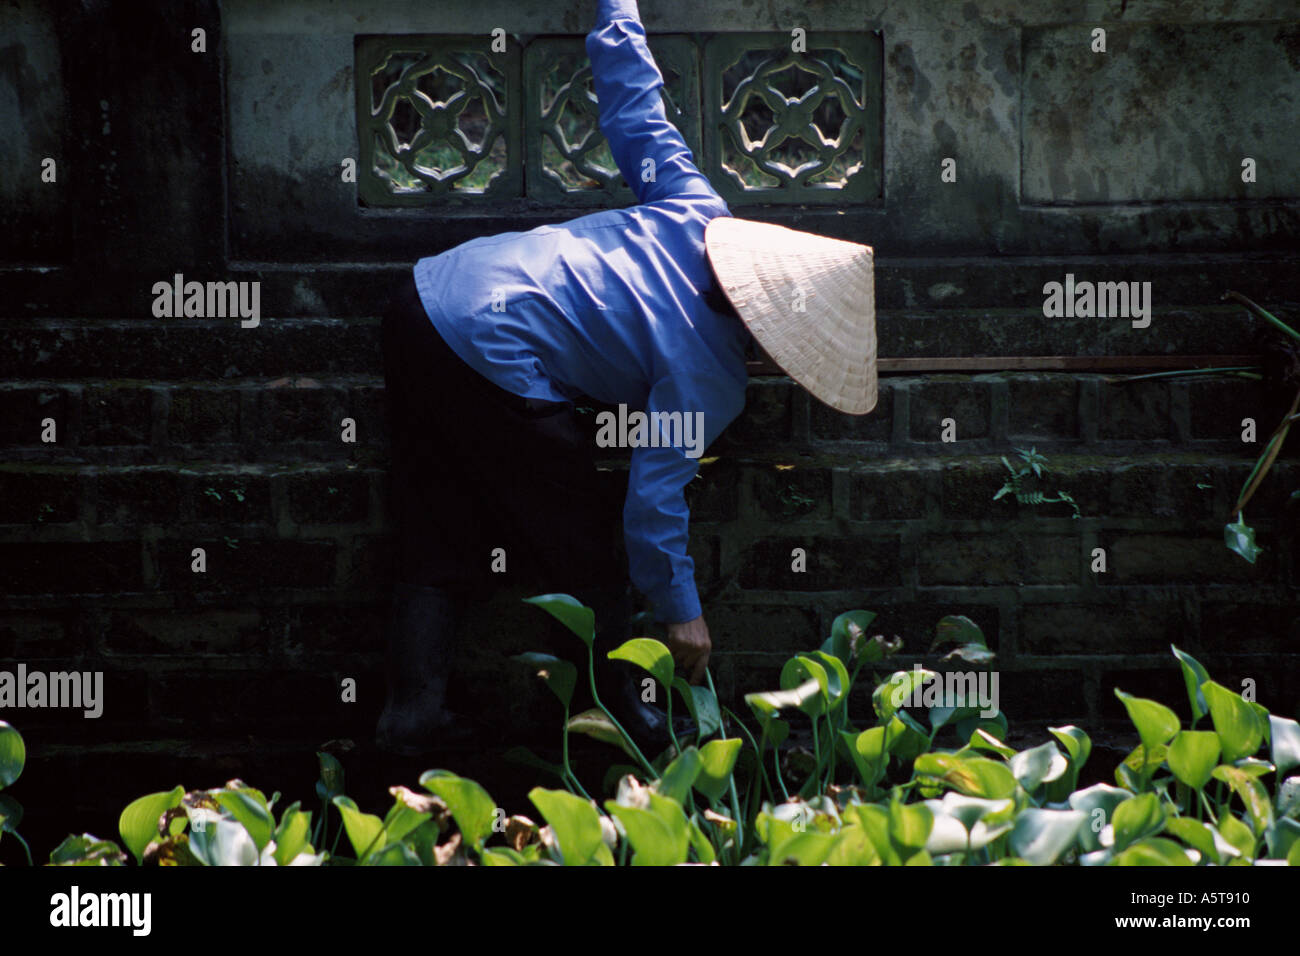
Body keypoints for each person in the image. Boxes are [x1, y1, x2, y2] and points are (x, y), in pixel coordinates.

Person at [376, 0, 878, 756]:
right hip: (494, 349)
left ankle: (412, 718)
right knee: (584, 548)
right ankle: (611, 725)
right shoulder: (710, 377)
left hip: (423, 301)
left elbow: (635, 106)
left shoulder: (695, 207)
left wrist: (617, 7)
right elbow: (651, 501)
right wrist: (681, 613)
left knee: (439, 524)